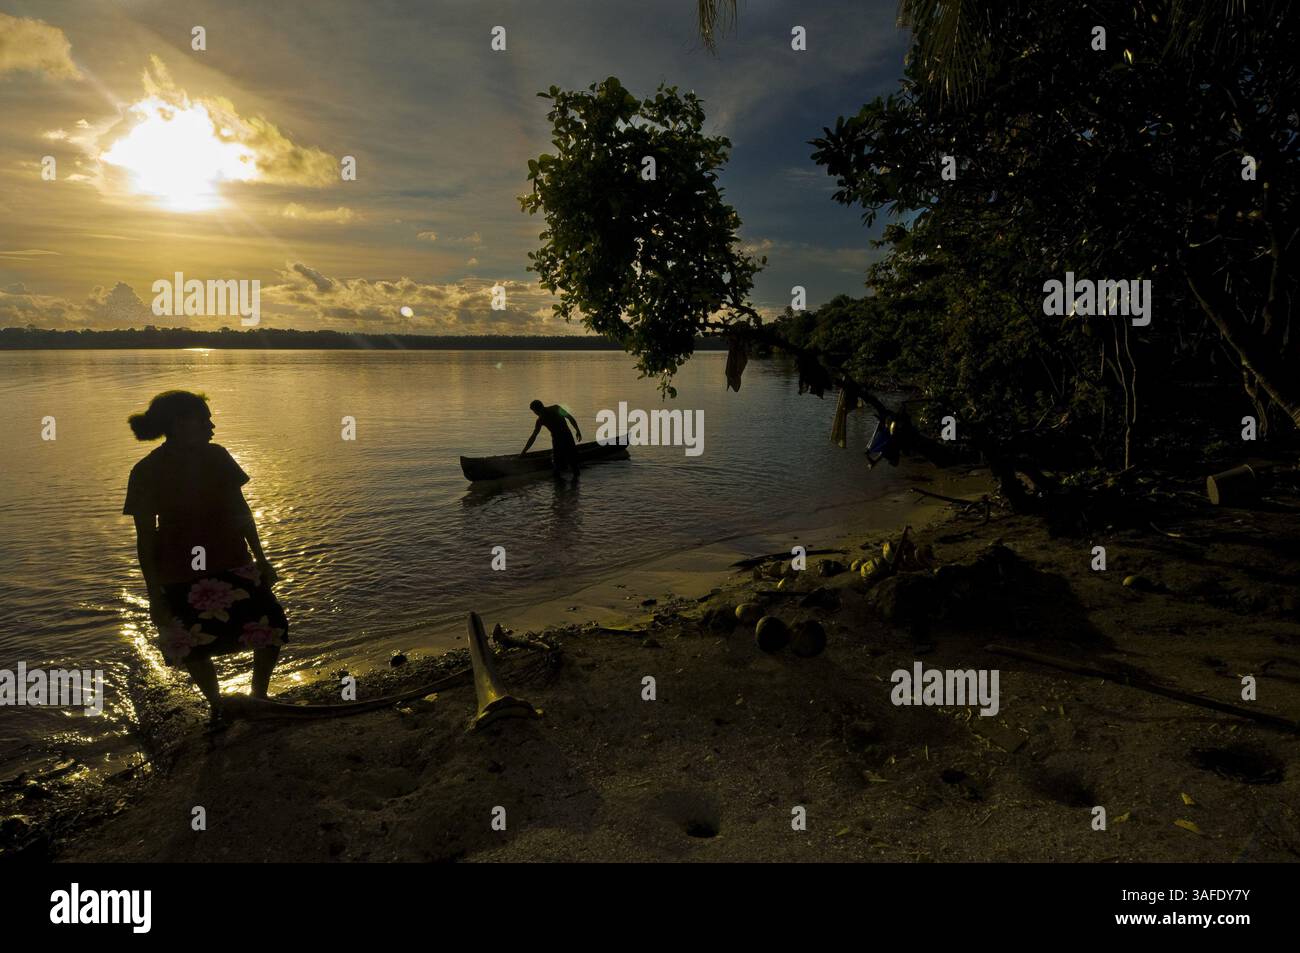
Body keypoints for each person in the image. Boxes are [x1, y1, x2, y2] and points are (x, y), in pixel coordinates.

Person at [123, 390, 287, 726]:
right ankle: (217, 704)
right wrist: (154, 594)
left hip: (232, 559)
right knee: (192, 643)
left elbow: (241, 510)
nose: (212, 426)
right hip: (179, 571)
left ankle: (259, 696)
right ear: (180, 424)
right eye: (205, 419)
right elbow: (145, 537)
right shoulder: (146, 471)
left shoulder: (218, 457)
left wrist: (262, 559)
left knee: (271, 626)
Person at [521, 399, 582, 478]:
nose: (535, 413)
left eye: (535, 411)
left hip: (566, 437)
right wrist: (523, 452)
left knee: (572, 462)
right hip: (558, 439)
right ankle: (564, 484)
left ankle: (571, 484)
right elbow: (533, 437)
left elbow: (569, 417)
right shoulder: (541, 419)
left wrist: (577, 430)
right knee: (558, 465)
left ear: (538, 409)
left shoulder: (555, 409)